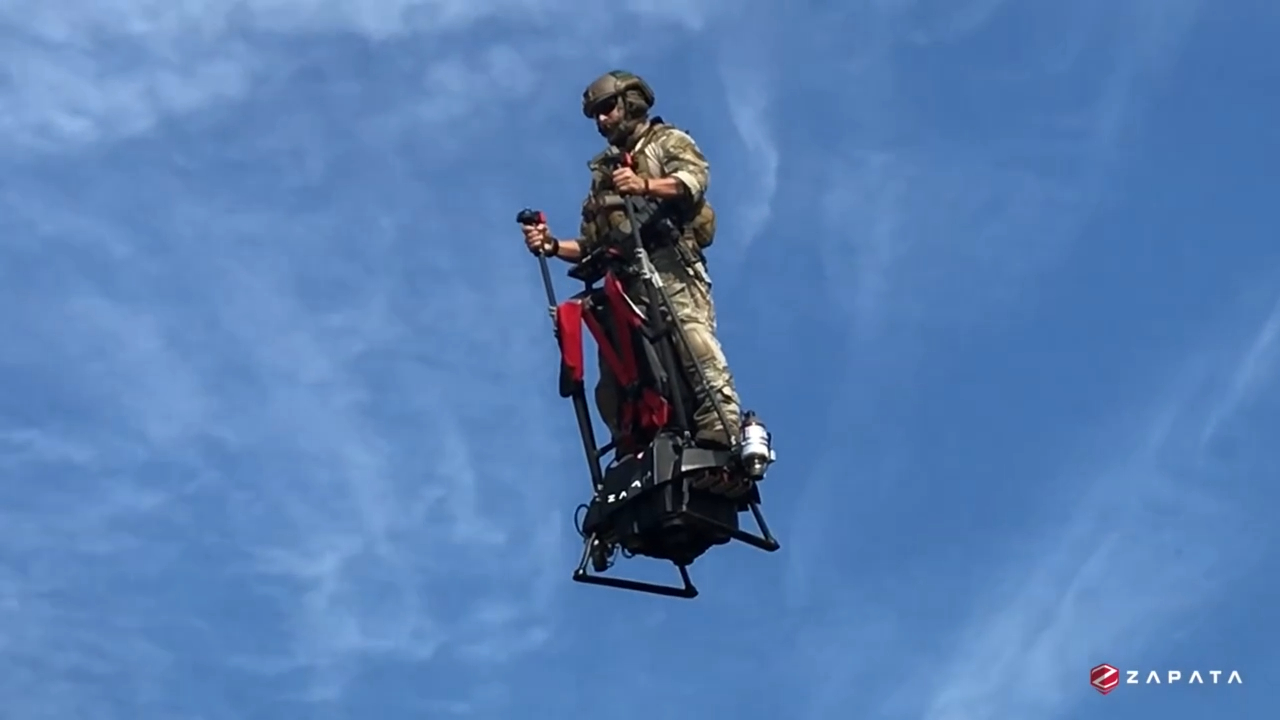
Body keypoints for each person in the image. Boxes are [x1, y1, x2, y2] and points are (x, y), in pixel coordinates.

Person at [520, 70, 742, 449]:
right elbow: (593, 245)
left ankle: (720, 420)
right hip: (623, 284)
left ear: (631, 103)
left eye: (607, 108)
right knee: (616, 373)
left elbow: (692, 180)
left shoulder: (666, 141)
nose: (601, 119)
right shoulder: (604, 174)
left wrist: (644, 185)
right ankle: (633, 440)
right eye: (596, 114)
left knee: (691, 338)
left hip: (669, 266)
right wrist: (552, 245)